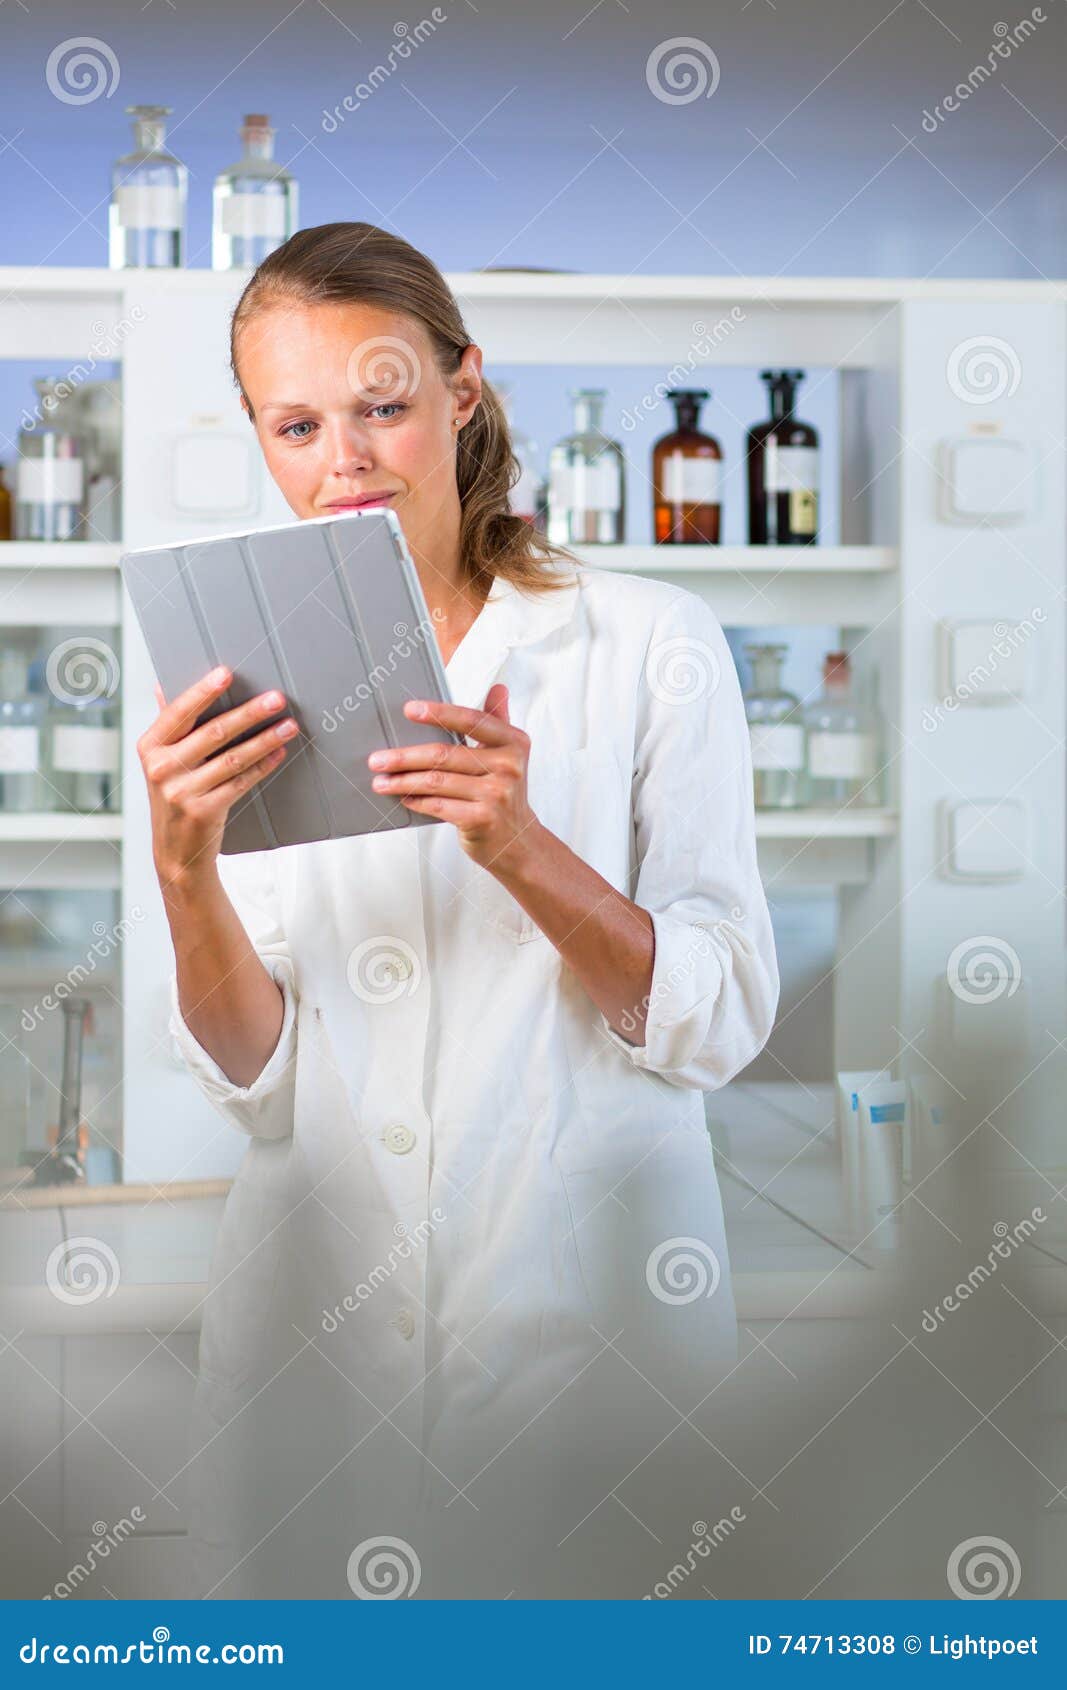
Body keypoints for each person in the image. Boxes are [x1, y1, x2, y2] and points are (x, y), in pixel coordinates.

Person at [138, 221, 779, 1600]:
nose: (345, 460)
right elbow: (257, 1077)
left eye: (385, 406)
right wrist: (183, 869)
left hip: (590, 1340)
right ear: (259, 433)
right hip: (317, 1348)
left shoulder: (644, 644)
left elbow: (717, 1016)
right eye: (298, 424)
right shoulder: (233, 680)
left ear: (463, 391)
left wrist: (522, 846)